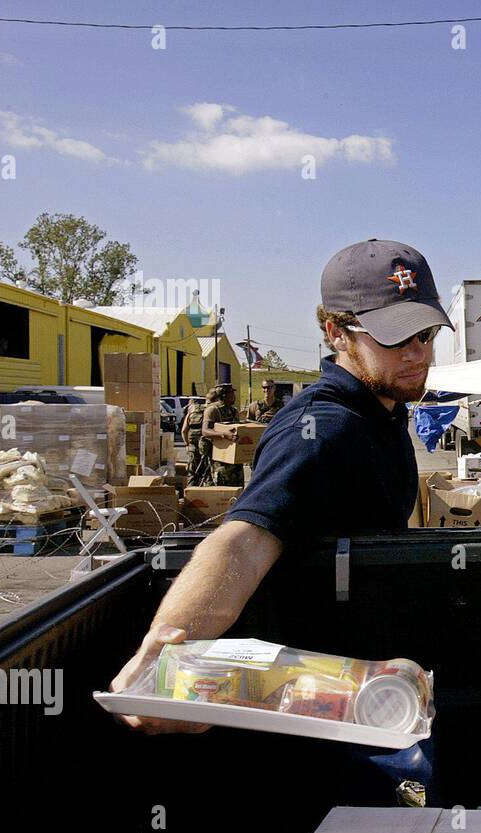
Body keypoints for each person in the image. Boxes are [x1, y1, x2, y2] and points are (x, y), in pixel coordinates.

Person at [111, 238, 449, 732]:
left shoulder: (383, 410)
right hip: (309, 709)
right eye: (395, 337)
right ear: (337, 332)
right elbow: (243, 540)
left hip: (364, 695)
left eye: (426, 332)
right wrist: (162, 661)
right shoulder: (322, 430)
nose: (418, 353)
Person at [199, 384, 244, 487]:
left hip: (235, 458)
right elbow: (205, 431)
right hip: (220, 458)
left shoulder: (234, 411)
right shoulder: (212, 410)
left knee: (238, 487)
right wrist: (224, 435)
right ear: (224, 395)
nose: (234, 396)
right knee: (222, 486)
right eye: (231, 393)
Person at [182, 395, 211, 487]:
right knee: (208, 474)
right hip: (208, 448)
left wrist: (187, 444)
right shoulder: (213, 411)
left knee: (192, 473)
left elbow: (184, 431)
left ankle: (191, 494)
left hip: (193, 447)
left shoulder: (193, 411)